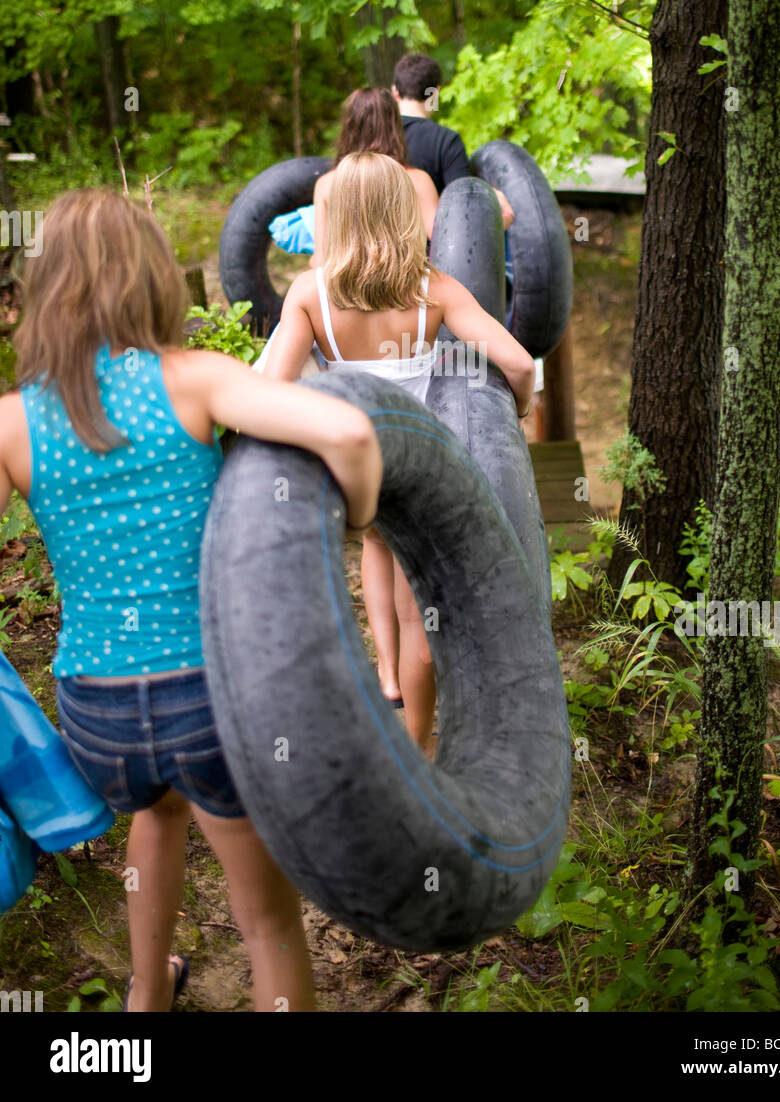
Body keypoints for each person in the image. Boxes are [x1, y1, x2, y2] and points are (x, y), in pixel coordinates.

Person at [0, 188, 382, 1013]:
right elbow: (350, 434)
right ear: (150, 278)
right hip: (208, 700)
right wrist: (359, 519)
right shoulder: (195, 378)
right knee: (268, 922)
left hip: (96, 714)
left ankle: (145, 997)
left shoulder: (13, 422)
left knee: (157, 813)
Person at [261, 152, 535, 750]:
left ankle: (382, 675)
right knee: (421, 615)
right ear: (401, 211)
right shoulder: (434, 289)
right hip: (416, 468)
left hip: (350, 469)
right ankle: (417, 743)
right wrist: (518, 410)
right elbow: (516, 360)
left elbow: (270, 392)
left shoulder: (310, 295)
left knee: (375, 544)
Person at [310, 88, 439, 263]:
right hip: (406, 285)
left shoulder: (327, 184)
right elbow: (442, 243)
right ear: (394, 126)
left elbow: (321, 258)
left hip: (347, 287)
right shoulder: (418, 180)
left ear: (349, 126)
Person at [391, 52, 515, 229]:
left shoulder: (370, 135)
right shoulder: (446, 141)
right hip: (432, 252)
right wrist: (505, 217)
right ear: (435, 92)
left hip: (372, 251)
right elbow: (464, 209)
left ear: (395, 91)